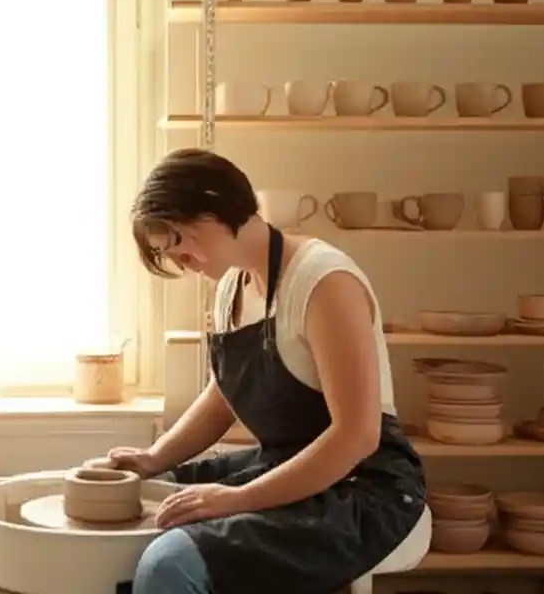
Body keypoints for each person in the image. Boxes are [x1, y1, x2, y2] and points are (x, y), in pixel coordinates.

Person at [96, 148, 431, 594]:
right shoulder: (233, 285)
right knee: (150, 495)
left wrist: (236, 500)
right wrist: (155, 458)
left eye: (176, 241)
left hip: (364, 484)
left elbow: (357, 436)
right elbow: (223, 396)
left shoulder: (324, 282)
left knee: (169, 563)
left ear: (213, 209)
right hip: (287, 463)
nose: (181, 263)